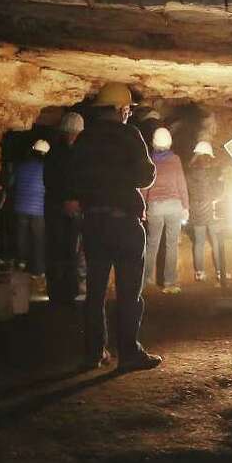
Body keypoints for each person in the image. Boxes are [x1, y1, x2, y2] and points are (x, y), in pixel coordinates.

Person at [67, 82, 162, 372]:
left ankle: (94, 353)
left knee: (94, 293)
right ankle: (129, 353)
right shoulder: (129, 134)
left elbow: (73, 178)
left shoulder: (84, 139)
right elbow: (145, 176)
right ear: (122, 109)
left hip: (95, 223)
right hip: (124, 224)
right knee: (128, 292)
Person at [142, 127, 190, 293]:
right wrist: (186, 206)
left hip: (155, 206)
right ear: (169, 142)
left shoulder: (149, 161)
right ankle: (170, 283)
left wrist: (141, 207)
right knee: (172, 246)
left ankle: (145, 280)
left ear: (153, 143)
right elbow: (181, 184)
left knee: (152, 244)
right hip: (174, 206)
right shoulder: (175, 159)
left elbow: (145, 186)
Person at [43, 112, 84, 306]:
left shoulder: (54, 153)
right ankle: (63, 292)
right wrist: (69, 200)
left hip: (60, 207)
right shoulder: (65, 154)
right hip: (61, 208)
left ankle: (63, 291)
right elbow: (55, 180)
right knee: (64, 250)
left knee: (65, 250)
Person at [188, 141, 230, 285]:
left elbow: (189, 192)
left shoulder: (189, 171)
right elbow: (219, 192)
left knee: (199, 242)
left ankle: (199, 273)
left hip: (196, 210)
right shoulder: (214, 171)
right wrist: (222, 183)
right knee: (217, 242)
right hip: (212, 210)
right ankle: (220, 272)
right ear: (209, 154)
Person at [9, 138, 49, 276]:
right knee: (38, 239)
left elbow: (10, 182)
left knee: (22, 237)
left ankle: (21, 264)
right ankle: (38, 270)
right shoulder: (47, 169)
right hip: (39, 210)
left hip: (20, 207)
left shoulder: (22, 166)